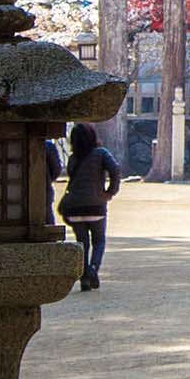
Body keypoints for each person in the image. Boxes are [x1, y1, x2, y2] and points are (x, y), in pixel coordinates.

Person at [57, 123, 123, 290]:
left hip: (75, 207)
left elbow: (71, 175)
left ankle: (84, 276)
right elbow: (115, 170)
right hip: (96, 205)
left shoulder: (73, 158)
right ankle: (93, 268)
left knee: (82, 242)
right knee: (99, 240)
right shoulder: (101, 153)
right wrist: (110, 191)